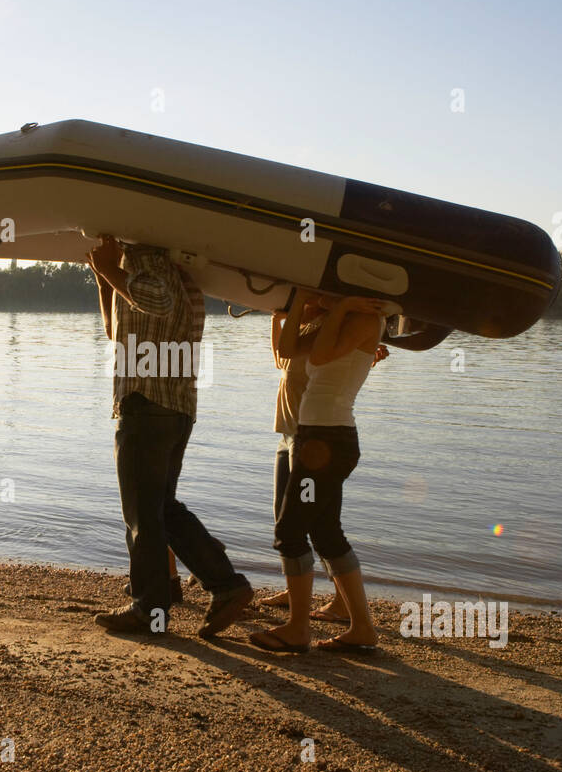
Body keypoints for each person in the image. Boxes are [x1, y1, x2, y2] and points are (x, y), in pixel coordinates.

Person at [87, 235, 254, 637]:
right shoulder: (179, 277)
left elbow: (156, 301)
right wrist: (101, 275)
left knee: (143, 516)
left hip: (146, 405)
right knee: (161, 509)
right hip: (175, 409)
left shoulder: (150, 266)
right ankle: (225, 584)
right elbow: (115, 330)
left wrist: (112, 268)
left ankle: (150, 610)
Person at [250, 290, 390, 654]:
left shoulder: (365, 318)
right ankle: (362, 629)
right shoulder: (335, 322)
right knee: (325, 532)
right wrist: (297, 302)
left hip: (328, 442)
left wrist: (341, 305)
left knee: (290, 530)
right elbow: (287, 349)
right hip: (316, 437)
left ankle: (298, 630)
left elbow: (324, 355)